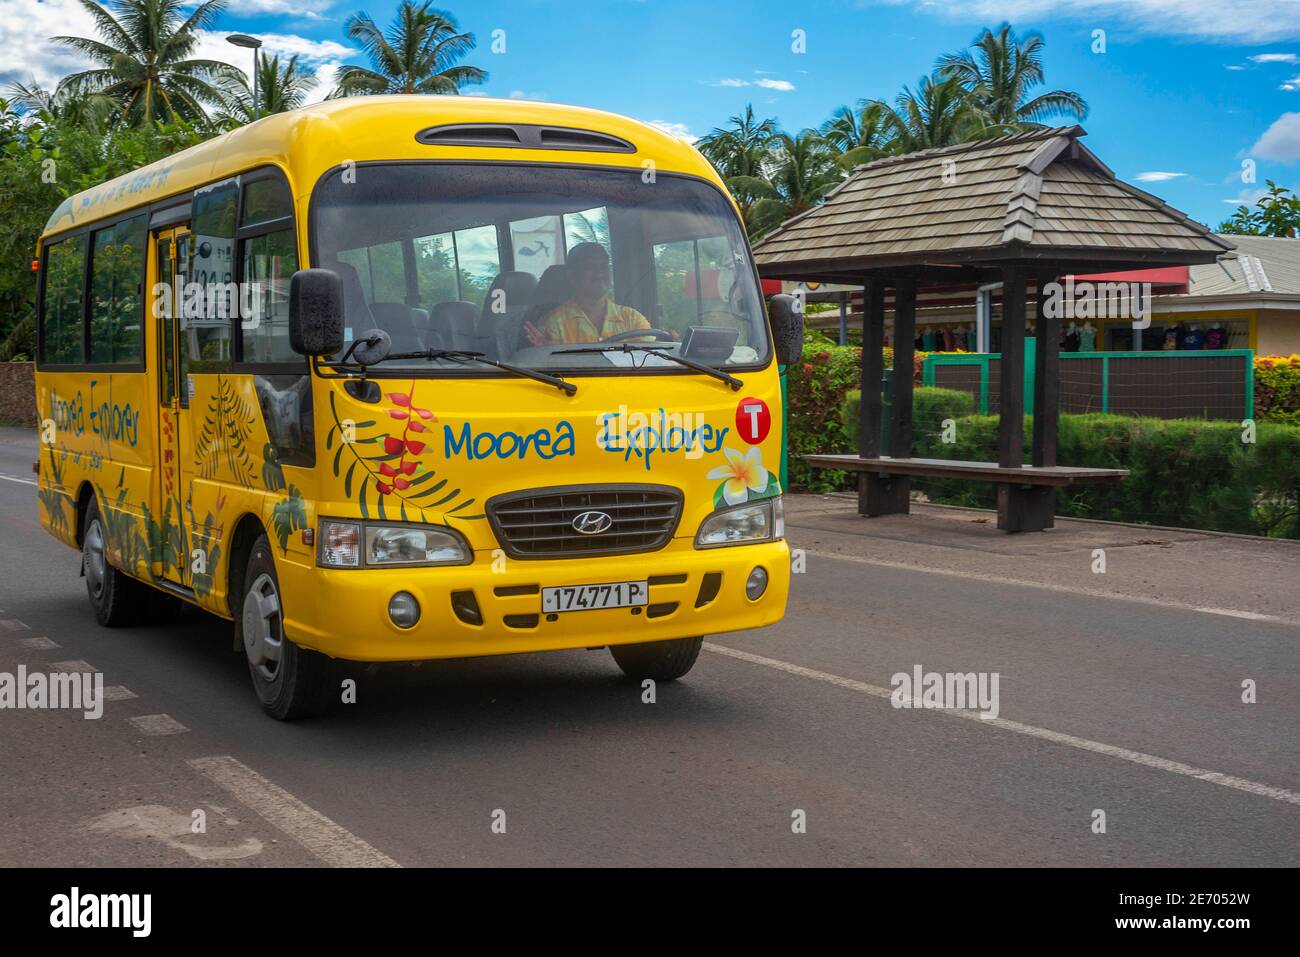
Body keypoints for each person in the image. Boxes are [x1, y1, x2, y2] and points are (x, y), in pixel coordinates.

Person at [523, 243, 651, 345]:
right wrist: (545, 354)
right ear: (572, 276)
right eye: (589, 267)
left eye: (603, 267)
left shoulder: (632, 319)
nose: (599, 274)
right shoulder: (553, 324)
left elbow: (652, 360)